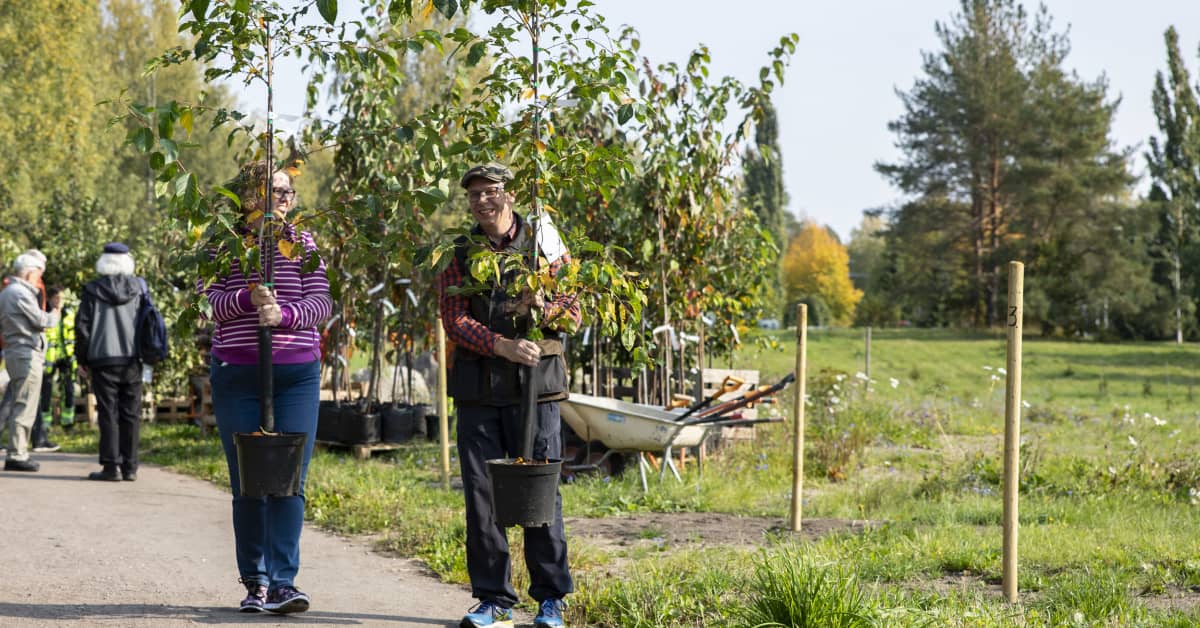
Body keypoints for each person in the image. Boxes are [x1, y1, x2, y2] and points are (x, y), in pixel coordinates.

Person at [438, 163, 580, 628]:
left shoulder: (544, 242)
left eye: (491, 191)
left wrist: (545, 306)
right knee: (481, 497)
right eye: (475, 194)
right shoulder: (460, 251)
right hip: (479, 390)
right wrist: (499, 345)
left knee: (541, 495)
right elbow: (454, 317)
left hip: (536, 390)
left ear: (512, 195)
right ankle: (493, 599)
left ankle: (550, 599)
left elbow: (575, 308)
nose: (483, 201)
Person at [204, 161, 331, 614]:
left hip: (295, 373)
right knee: (248, 482)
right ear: (249, 198)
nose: (284, 200)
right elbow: (208, 304)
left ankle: (283, 582)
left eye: (288, 193)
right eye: (274, 191)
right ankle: (255, 581)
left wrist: (286, 316)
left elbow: (322, 301)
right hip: (237, 373)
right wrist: (245, 298)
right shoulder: (221, 245)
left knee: (288, 480)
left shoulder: (302, 241)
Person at [75, 243, 149, 481]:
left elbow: (83, 327)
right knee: (131, 414)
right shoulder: (139, 288)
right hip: (132, 360)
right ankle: (130, 468)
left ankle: (110, 467)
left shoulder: (92, 289)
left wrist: (82, 359)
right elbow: (148, 323)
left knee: (108, 413)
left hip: (102, 359)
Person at [0, 250, 62, 472]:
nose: (40, 279)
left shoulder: (11, 291)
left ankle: (17, 452)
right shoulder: (19, 293)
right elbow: (41, 321)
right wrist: (55, 311)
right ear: (28, 273)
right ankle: (17, 454)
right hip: (25, 352)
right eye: (38, 273)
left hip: (19, 352)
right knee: (24, 405)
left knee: (21, 402)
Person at [33, 285, 74, 451]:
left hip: (66, 358)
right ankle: (46, 425)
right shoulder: (44, 313)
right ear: (49, 299)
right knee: (46, 392)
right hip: (48, 360)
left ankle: (68, 423)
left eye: (61, 298)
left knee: (69, 390)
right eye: (57, 298)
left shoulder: (69, 313)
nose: (60, 302)